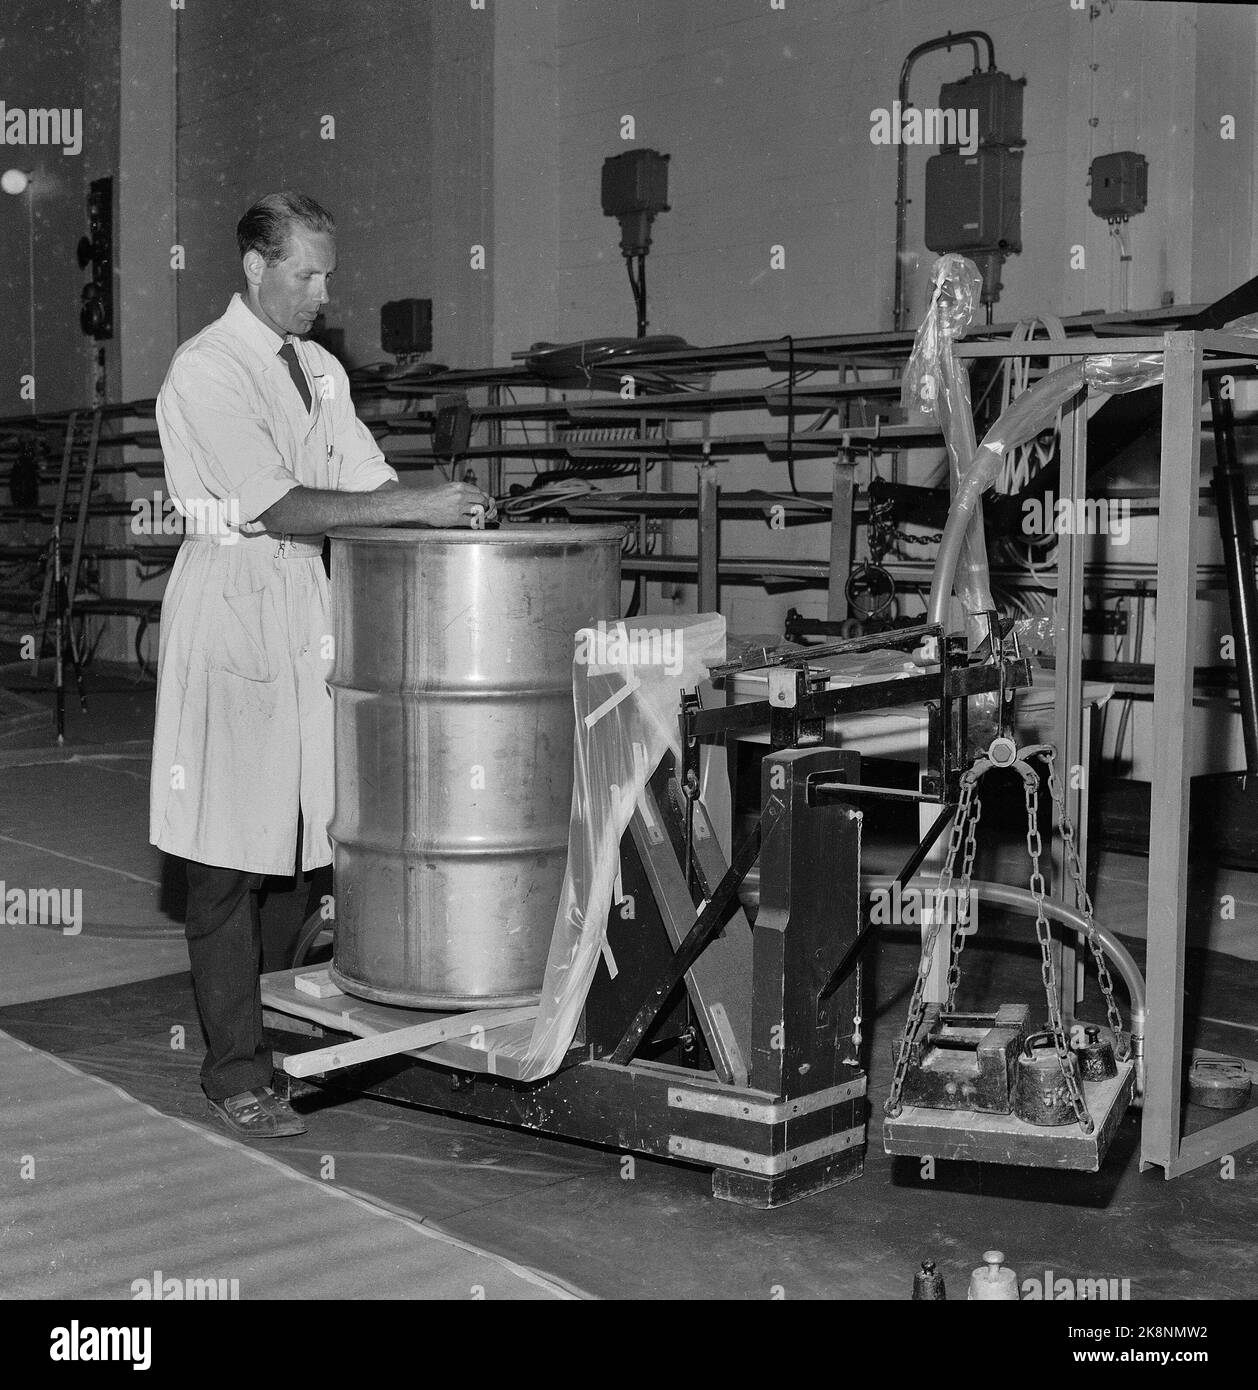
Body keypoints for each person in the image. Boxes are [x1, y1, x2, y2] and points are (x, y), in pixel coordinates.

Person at [151, 191, 493, 1138]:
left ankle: (282, 1037)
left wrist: (446, 514)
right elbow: (278, 504)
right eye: (306, 273)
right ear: (255, 268)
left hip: (308, 608)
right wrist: (417, 508)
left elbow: (367, 481)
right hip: (232, 610)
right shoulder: (206, 371)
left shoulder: (320, 371)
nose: (321, 291)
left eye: (328, 274)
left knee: (302, 850)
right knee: (226, 857)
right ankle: (233, 1072)